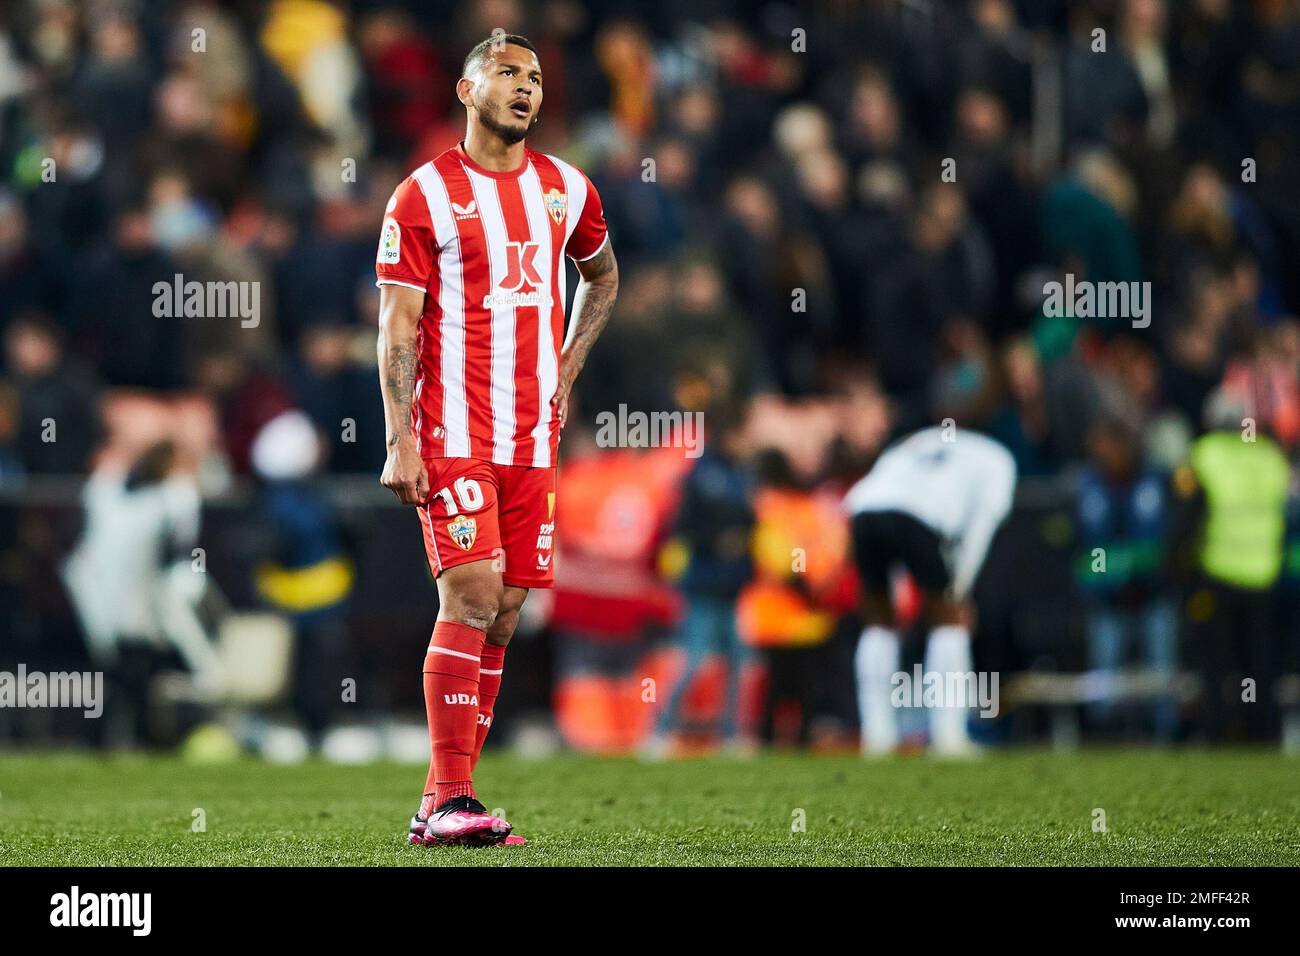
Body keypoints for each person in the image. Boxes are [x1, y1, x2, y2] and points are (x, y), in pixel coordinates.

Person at [374, 34, 618, 847]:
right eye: (508, 73)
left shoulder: (567, 189)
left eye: (536, 77)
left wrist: (568, 369)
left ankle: (443, 801)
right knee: (472, 594)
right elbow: (397, 323)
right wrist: (400, 437)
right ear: (466, 88)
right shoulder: (423, 195)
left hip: (531, 435)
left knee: (507, 613)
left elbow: (604, 273)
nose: (525, 87)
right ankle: (449, 802)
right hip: (453, 429)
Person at [844, 426, 1016, 756]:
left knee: (878, 620)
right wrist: (959, 590)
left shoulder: (920, 438)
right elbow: (983, 522)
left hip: (862, 510)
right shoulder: (998, 459)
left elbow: (881, 484)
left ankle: (877, 738)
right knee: (948, 622)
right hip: (918, 514)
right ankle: (949, 738)